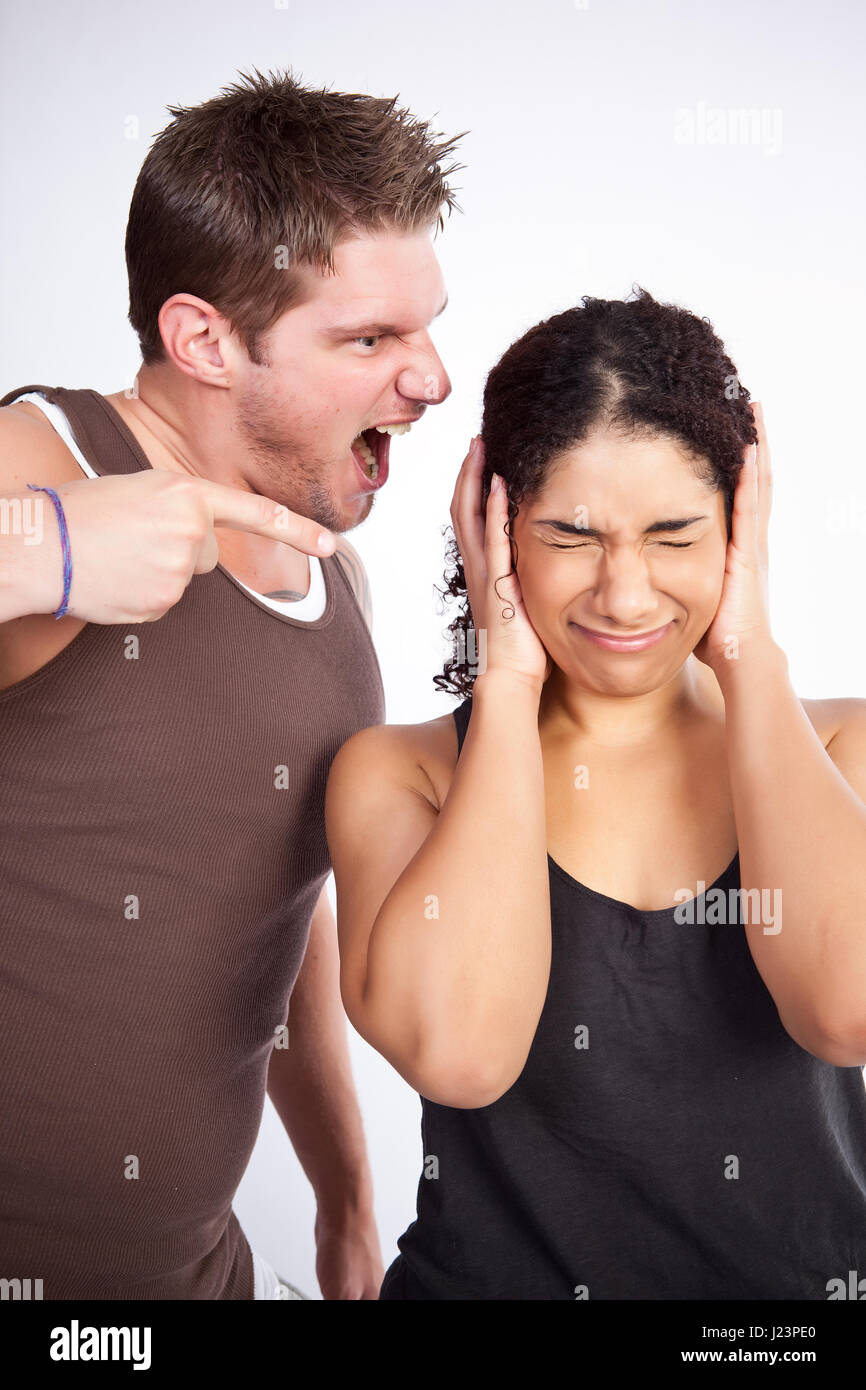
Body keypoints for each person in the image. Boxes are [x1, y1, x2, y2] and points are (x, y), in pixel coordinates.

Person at [0, 68, 463, 1299]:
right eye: (369, 339)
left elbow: (273, 894)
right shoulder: (43, 462)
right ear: (202, 338)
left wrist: (348, 1197)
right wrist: (36, 549)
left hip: (187, 1279)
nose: (429, 379)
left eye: (423, 326)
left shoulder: (335, 578)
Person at [325, 288, 866, 1299]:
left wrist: (747, 658)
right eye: (570, 537)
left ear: (739, 526)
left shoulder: (841, 746)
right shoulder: (400, 775)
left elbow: (847, 1008)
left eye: (673, 536)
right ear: (496, 526)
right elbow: (459, 1055)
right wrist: (508, 684)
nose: (623, 594)